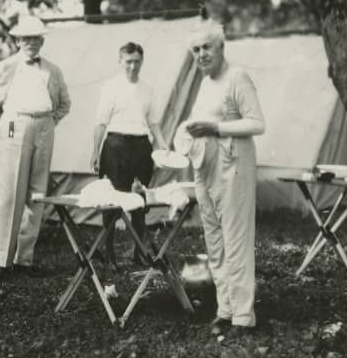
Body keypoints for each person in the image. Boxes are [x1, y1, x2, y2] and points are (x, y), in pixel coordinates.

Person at [0, 16, 71, 284]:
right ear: (17, 40)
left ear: (42, 41)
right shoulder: (1, 68)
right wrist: (0, 125)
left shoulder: (52, 70)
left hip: (44, 126)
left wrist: (48, 124)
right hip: (14, 126)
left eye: (36, 38)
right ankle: (2, 262)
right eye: (26, 38)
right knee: (10, 196)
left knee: (36, 195)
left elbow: (64, 103)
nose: (31, 43)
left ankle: (24, 259)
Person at [181, 21, 265, 337]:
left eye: (207, 47)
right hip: (205, 167)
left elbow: (257, 123)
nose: (201, 54)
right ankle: (225, 309)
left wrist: (216, 129)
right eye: (196, 49)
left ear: (221, 48)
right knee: (215, 243)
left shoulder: (237, 77)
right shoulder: (205, 84)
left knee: (236, 240)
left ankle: (244, 317)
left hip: (233, 168)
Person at [90, 42, 169, 267]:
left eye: (136, 62)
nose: (132, 67)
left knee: (139, 200)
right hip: (115, 146)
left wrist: (162, 146)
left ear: (142, 62)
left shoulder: (148, 88)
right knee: (111, 201)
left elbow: (153, 121)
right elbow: (100, 122)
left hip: (142, 146)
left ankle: (139, 252)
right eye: (128, 62)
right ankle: (109, 256)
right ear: (120, 62)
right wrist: (96, 153)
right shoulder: (111, 86)